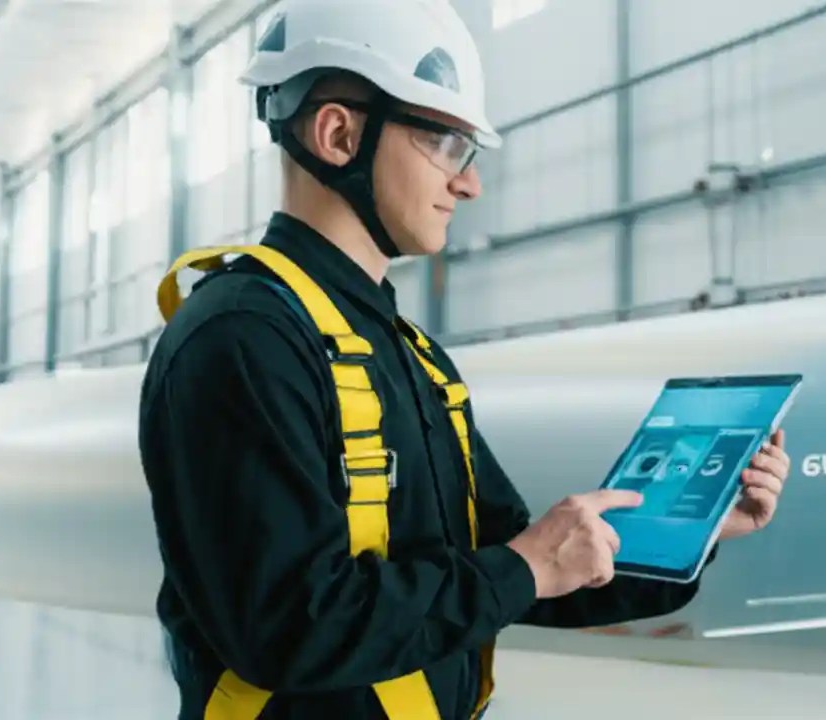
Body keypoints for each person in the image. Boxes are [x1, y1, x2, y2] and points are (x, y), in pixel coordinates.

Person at [137, 1, 792, 719]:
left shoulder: (412, 359)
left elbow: (503, 563)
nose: (469, 183)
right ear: (337, 133)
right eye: (444, 143)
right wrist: (524, 567)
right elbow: (289, 625)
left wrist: (687, 533)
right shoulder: (241, 339)